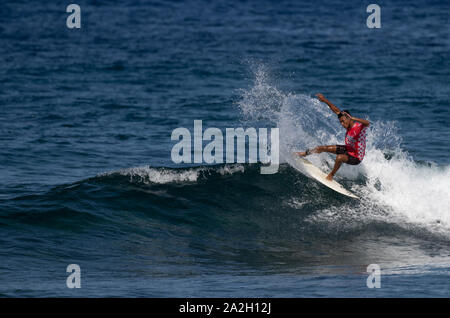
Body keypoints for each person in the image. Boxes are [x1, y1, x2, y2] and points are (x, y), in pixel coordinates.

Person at [296, 93, 370, 181]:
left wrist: (353, 118)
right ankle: (304, 154)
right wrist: (324, 100)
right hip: (348, 149)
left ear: (348, 118)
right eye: (340, 122)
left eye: (343, 121)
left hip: (356, 157)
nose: (342, 124)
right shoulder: (345, 120)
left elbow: (367, 123)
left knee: (339, 158)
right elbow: (336, 110)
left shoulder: (358, 128)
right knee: (321, 148)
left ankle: (331, 175)